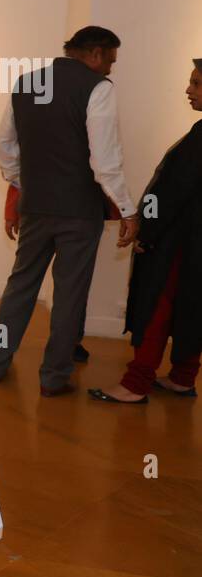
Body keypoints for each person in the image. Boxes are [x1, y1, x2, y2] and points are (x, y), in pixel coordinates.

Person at [0, 26, 139, 396]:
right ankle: (54, 376)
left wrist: (26, 180)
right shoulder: (98, 89)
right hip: (78, 211)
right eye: (111, 61)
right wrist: (128, 209)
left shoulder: (26, 83)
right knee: (70, 293)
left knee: (20, 286)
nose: (111, 70)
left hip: (35, 206)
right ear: (96, 53)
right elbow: (105, 161)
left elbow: (2, 147)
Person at [89, 58, 202, 404]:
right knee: (192, 304)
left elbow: (171, 191)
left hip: (180, 243)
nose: (188, 89)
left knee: (158, 305)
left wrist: (147, 233)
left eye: (196, 83)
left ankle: (135, 384)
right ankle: (183, 377)